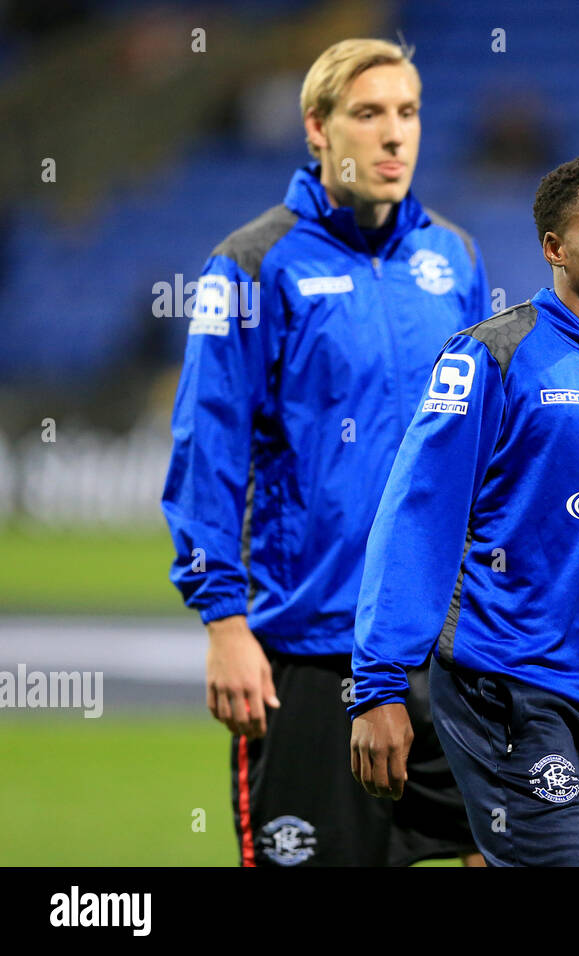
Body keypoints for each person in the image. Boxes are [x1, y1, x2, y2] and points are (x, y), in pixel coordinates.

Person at [161, 38, 489, 866]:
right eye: (368, 113)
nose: (393, 136)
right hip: (310, 646)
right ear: (317, 129)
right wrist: (225, 621)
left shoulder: (453, 260)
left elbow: (485, 451)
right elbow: (210, 449)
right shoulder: (250, 266)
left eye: (407, 113)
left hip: (445, 649)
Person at [349, 155, 579, 867]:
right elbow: (416, 518)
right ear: (554, 249)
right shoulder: (491, 357)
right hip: (504, 688)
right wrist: (379, 683)